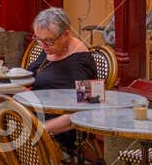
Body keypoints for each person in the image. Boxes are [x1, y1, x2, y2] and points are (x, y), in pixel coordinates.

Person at [24, 7, 100, 137]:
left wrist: (39, 129)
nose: (43, 45)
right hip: (34, 114)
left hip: (56, 129)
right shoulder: (52, 48)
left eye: (48, 40)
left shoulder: (81, 63)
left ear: (66, 35)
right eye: (38, 39)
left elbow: (87, 108)